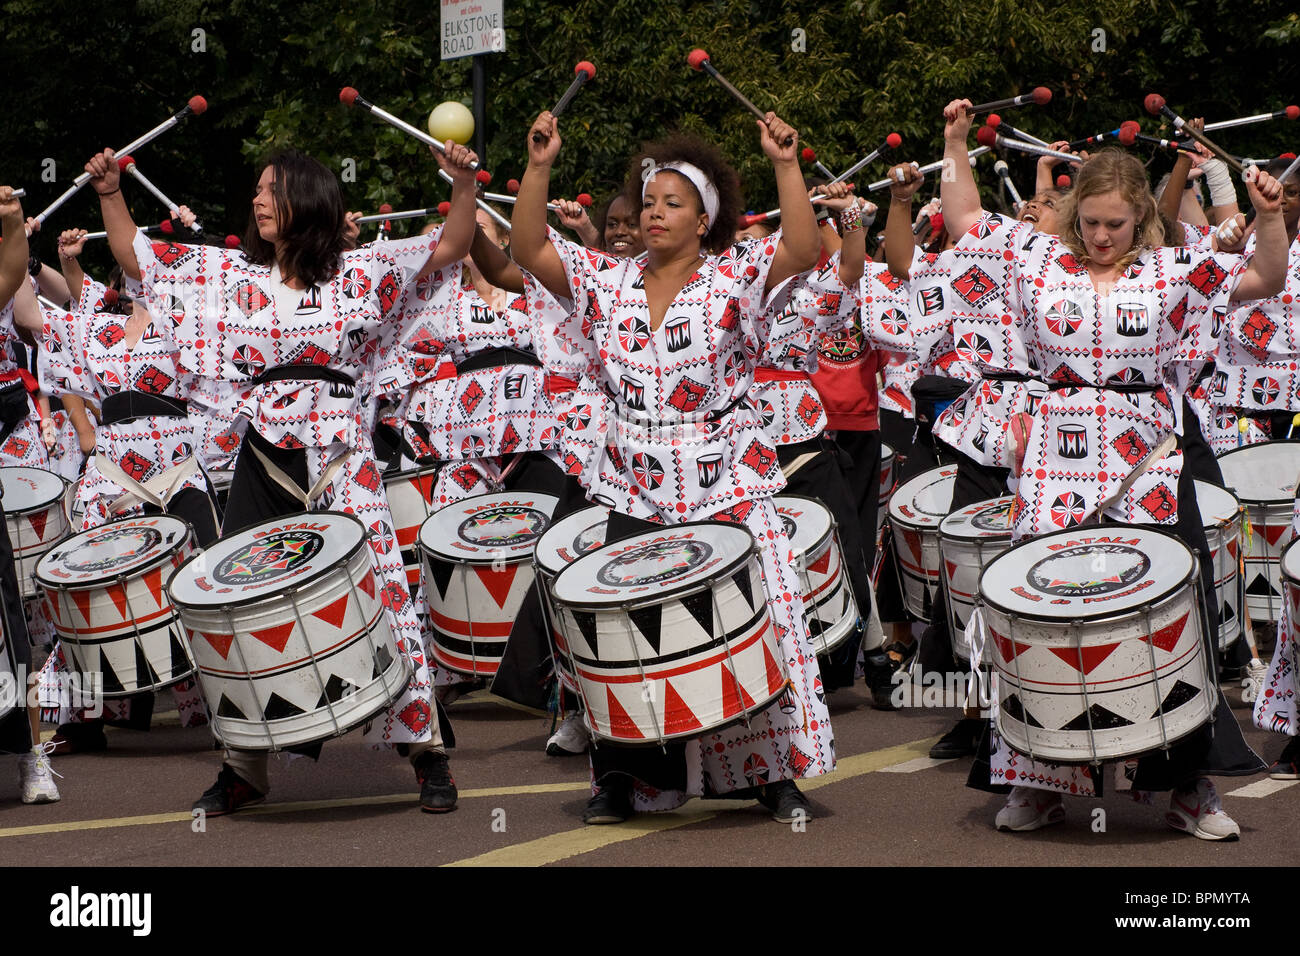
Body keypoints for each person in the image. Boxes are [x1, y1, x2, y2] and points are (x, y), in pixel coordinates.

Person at [88, 139, 481, 815]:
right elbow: (137, 258)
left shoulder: (362, 271)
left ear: (306, 198)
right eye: (258, 190)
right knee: (235, 606)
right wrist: (109, 191)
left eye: (269, 189)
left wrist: (466, 184)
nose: (256, 199)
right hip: (263, 454)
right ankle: (245, 766)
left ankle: (427, 756)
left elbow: (449, 246)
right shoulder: (232, 278)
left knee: (381, 594)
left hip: (339, 455)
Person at [940, 96, 1286, 839]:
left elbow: (1263, 278)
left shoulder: (1174, 269)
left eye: (1115, 224)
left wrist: (1269, 214)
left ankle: (1188, 788)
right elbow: (965, 220)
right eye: (1089, 222)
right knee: (1040, 618)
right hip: (1053, 464)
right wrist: (955, 141)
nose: (1100, 236)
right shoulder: (1035, 256)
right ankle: (1037, 783)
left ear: (1141, 221)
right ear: (1073, 216)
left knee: (1169, 615)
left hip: (1148, 463)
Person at [511, 108, 833, 825]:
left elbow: (805, 248)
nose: (653, 213)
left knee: (754, 617)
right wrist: (539, 166)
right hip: (633, 476)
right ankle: (624, 779)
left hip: (725, 470)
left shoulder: (738, 271)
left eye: (672, 204)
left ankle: (771, 774)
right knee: (628, 629)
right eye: (648, 201)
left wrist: (786, 164)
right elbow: (528, 246)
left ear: (705, 219)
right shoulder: (605, 278)